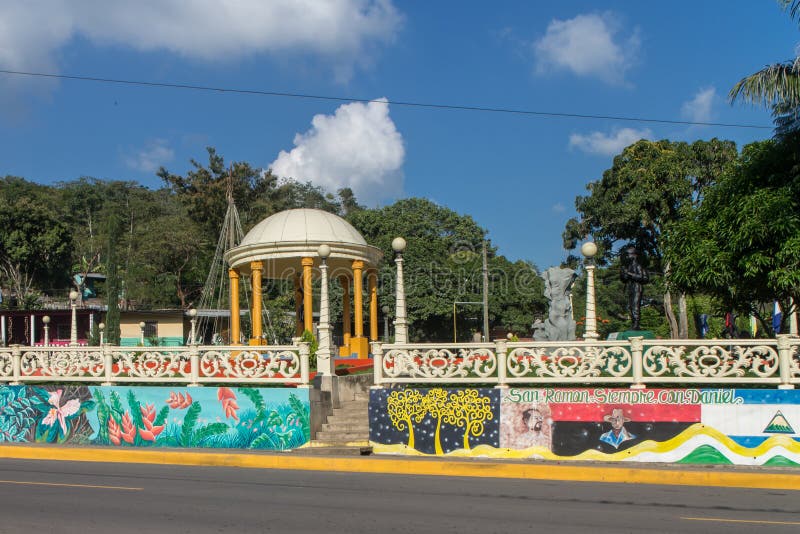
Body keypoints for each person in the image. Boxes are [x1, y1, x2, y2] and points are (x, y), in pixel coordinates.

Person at [620, 247, 649, 330]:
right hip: (631, 288)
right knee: (631, 306)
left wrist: (629, 274)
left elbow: (644, 278)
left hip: (637, 288)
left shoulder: (638, 266)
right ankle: (633, 323)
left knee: (635, 306)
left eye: (628, 255)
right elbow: (624, 279)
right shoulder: (628, 266)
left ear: (634, 255)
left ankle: (636, 324)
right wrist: (623, 274)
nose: (627, 257)